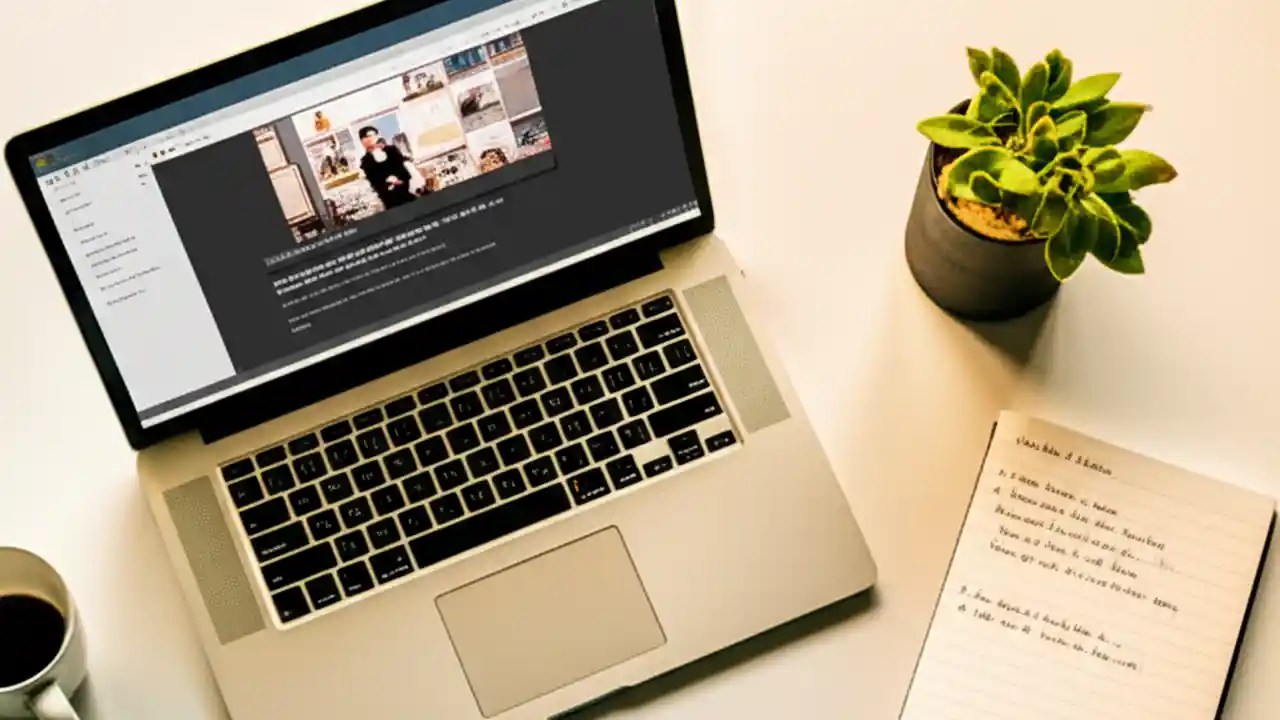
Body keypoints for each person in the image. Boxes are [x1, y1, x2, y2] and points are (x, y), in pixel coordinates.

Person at [358, 126, 426, 209]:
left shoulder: (391, 150)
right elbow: (374, 181)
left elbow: (404, 171)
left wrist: (397, 180)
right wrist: (388, 181)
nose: (372, 138)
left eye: (374, 135)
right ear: (362, 141)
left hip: (407, 193)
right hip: (389, 201)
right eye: (368, 136)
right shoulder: (365, 161)